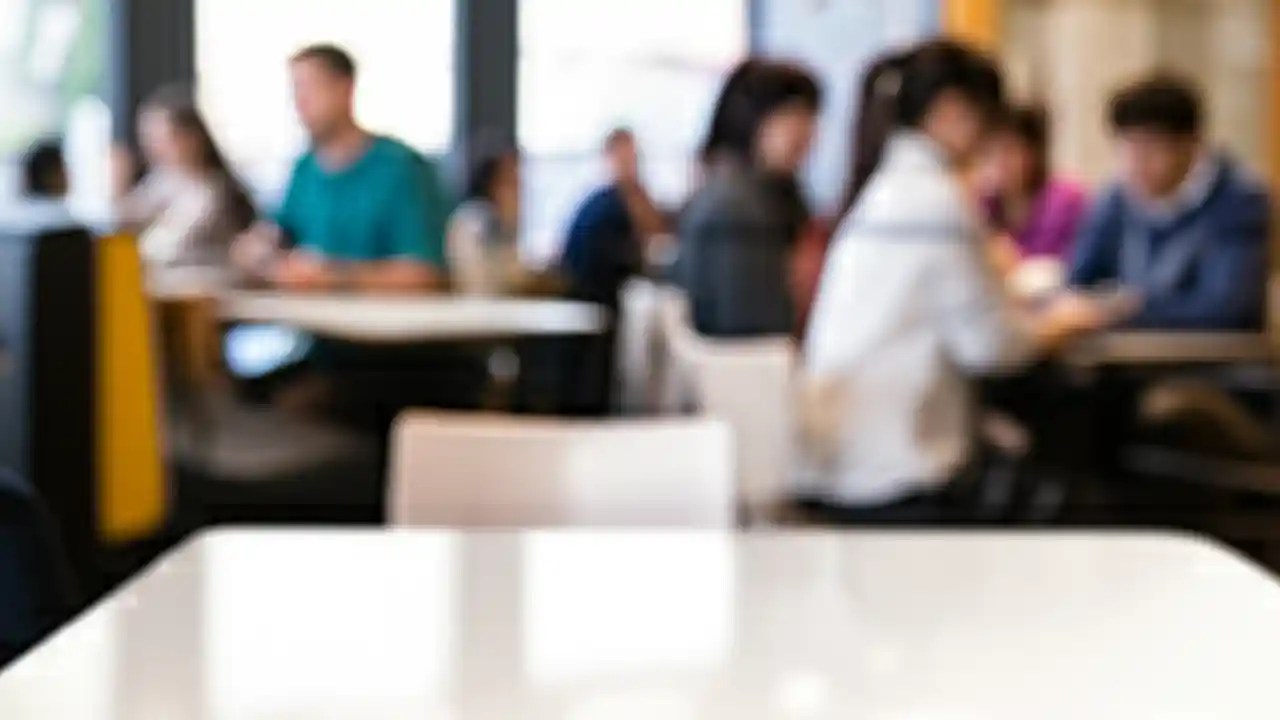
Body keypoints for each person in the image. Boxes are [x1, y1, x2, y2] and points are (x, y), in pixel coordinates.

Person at [801, 40, 1106, 522]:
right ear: (951, 112)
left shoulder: (886, 191)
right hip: (900, 469)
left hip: (841, 456)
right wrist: (1063, 323)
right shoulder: (936, 201)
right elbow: (991, 347)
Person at [232, 44, 449, 293]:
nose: (300, 103)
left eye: (311, 88)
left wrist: (335, 276)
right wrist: (257, 252)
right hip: (311, 326)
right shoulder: (305, 169)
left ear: (345, 88)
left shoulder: (401, 168)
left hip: (384, 326)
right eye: (296, 90)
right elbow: (275, 231)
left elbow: (425, 274)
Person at [1069, 74, 1272, 330]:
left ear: (1192, 144)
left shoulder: (1240, 202)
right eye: (1127, 147)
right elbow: (1078, 283)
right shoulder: (1117, 198)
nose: (1136, 163)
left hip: (1207, 361)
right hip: (1123, 357)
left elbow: (1228, 309)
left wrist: (1128, 308)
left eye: (1150, 148)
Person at [678, 60, 821, 337]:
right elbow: (754, 330)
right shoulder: (737, 207)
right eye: (791, 115)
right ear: (750, 118)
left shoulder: (741, 189)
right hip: (750, 371)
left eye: (811, 116)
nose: (807, 132)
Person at [116, 86, 256, 269]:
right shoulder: (165, 179)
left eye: (162, 138)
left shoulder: (211, 192)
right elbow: (126, 217)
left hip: (207, 287)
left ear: (192, 138)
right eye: (148, 138)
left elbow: (164, 249)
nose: (153, 148)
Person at [560, 128, 667, 308]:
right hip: (593, 303)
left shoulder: (620, 201)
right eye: (625, 158)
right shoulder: (604, 208)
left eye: (633, 158)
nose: (631, 165)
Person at [979, 104, 1087, 263]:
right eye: (989, 153)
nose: (998, 163)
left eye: (1008, 151)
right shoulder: (985, 205)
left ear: (1033, 153)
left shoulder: (1066, 200)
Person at [446, 136, 524, 295]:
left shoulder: (495, 220)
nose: (519, 189)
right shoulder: (475, 219)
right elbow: (481, 284)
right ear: (490, 181)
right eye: (511, 181)